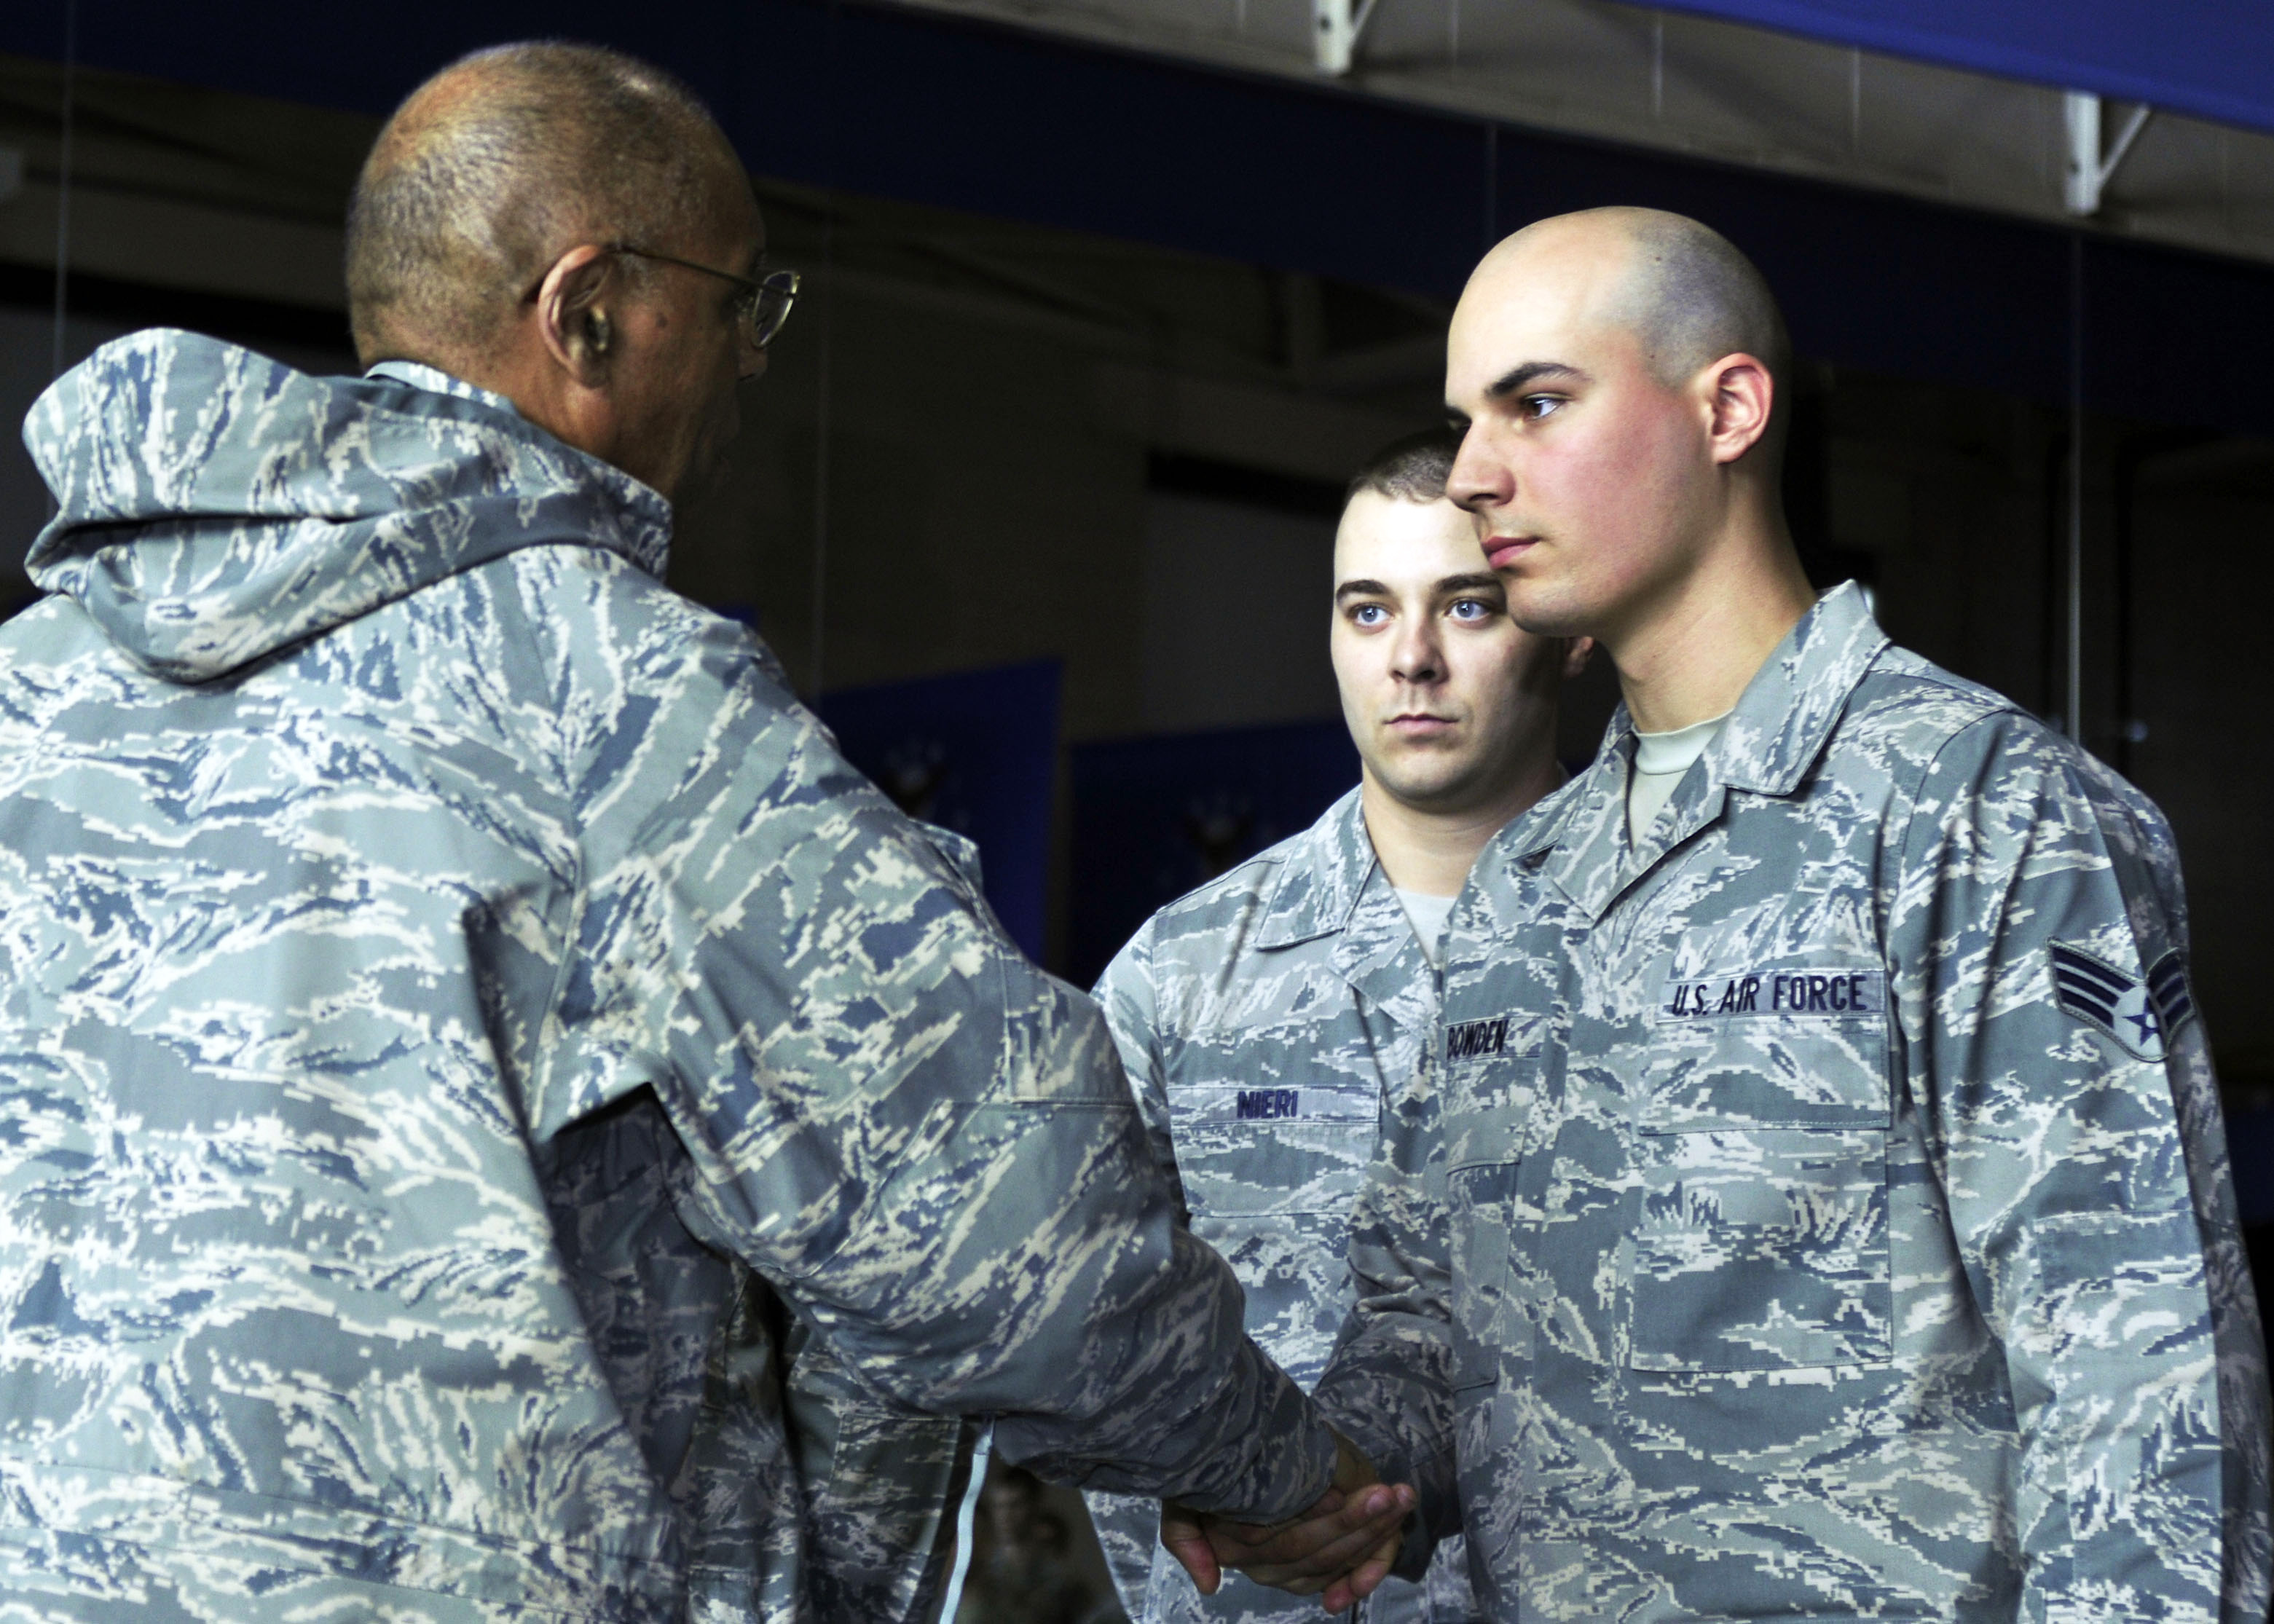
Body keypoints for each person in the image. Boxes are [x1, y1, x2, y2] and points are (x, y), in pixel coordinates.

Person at [0, 43, 1413, 1623]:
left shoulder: (35, 686)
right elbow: (996, 1195)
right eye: (746, 300)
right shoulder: (609, 690)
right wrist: (1275, 1472)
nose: (753, 356)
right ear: (589, 309)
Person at [1204, 206, 2273, 1621]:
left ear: (1727, 408)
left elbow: (2143, 1397)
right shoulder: (1527, 883)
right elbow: (1427, 1325)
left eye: (1535, 402)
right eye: (1465, 420)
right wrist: (1299, 1479)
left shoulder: (1972, 811)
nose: (1472, 473)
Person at [1084, 429, 1585, 1624]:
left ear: (1567, 631)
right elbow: (1104, 1339)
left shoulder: (1673, 942)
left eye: (1465, 607)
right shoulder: (1184, 974)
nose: (1409, 658)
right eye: (1367, 611)